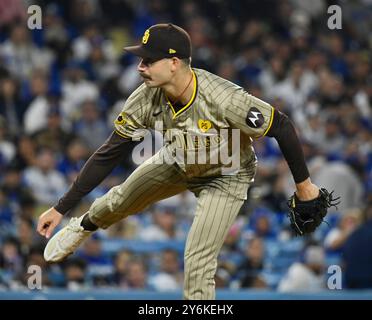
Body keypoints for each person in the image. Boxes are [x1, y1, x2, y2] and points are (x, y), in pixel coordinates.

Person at [37, 23, 320, 300]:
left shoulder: (224, 98)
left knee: (197, 260)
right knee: (119, 200)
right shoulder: (144, 98)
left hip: (227, 173)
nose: (140, 66)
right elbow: (109, 153)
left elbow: (281, 126)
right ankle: (82, 226)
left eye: (148, 60)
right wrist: (61, 207)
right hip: (178, 160)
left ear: (174, 62)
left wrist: (304, 186)